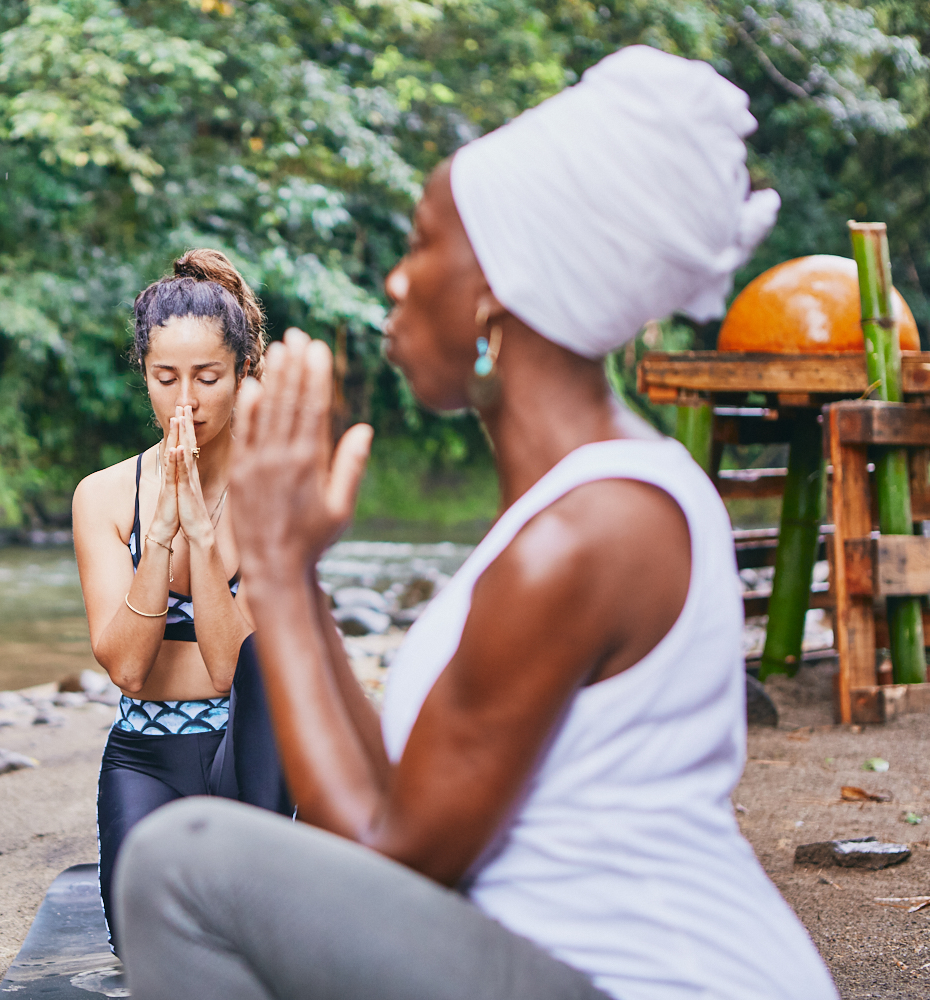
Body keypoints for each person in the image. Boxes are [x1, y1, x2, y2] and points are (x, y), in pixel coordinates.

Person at [112, 46, 838, 1000]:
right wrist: (300, 578)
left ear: (493, 289)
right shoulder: (572, 506)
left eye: (421, 246)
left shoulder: (590, 532)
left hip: (644, 984)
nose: (398, 283)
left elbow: (391, 861)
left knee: (180, 863)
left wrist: (281, 575)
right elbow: (386, 815)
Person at [72, 249, 293, 953]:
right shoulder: (103, 497)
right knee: (150, 948)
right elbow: (129, 670)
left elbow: (233, 669)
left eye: (208, 378)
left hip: (244, 751)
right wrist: (160, 537)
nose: (186, 402)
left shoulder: (271, 495)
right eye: (166, 379)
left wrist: (202, 529)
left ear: (243, 374)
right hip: (145, 753)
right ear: (144, 376)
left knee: (271, 663)